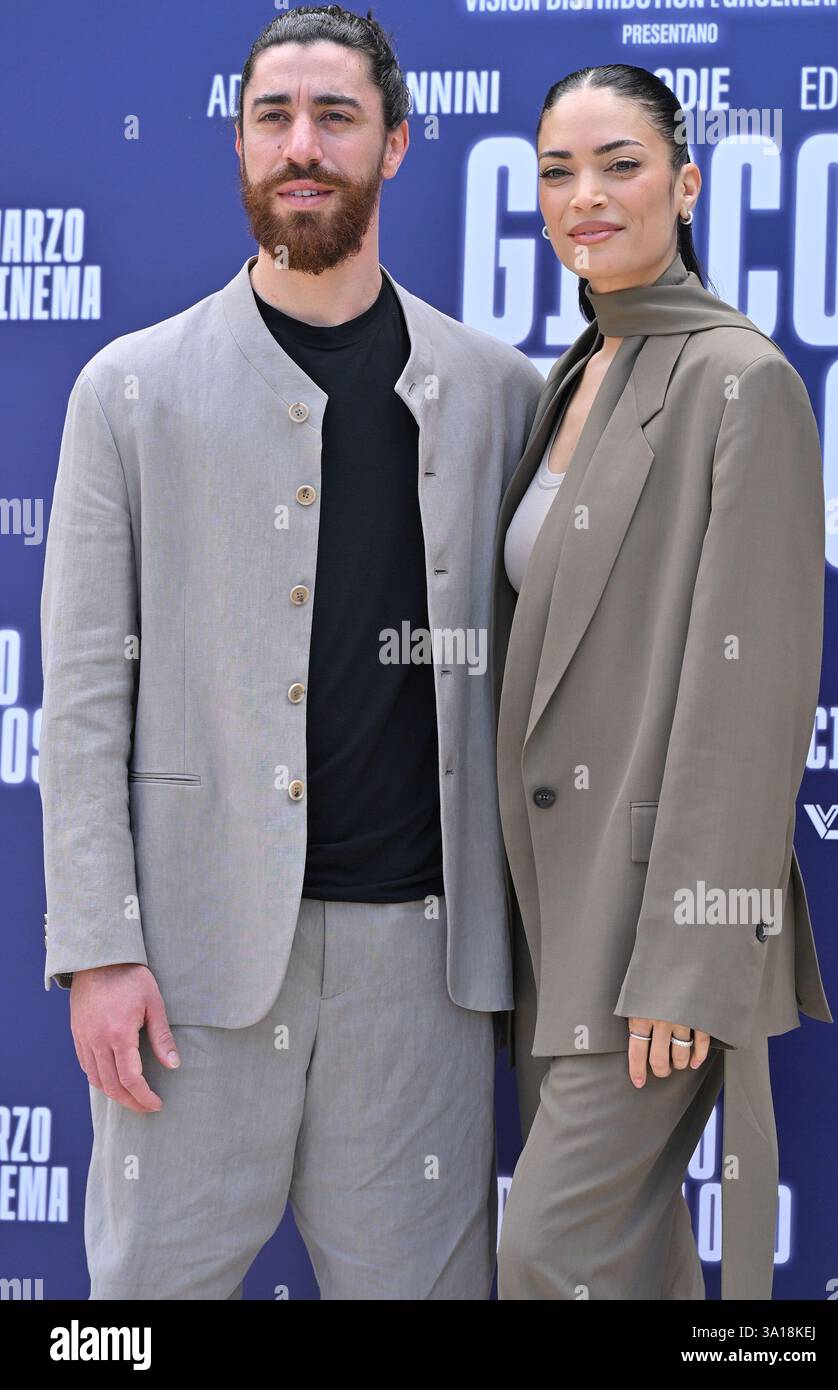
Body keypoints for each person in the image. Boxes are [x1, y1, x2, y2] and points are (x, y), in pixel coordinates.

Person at [39, 6, 543, 1300]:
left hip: (422, 979)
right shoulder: (130, 390)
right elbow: (85, 695)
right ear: (240, 142)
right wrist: (97, 947)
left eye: (334, 117)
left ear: (394, 144)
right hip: (193, 969)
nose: (301, 146)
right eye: (274, 117)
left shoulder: (497, 391)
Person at [490, 63, 833, 1300]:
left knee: (552, 1256)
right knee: (620, 1264)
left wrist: (686, 957)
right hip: (543, 915)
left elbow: (749, 702)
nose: (585, 195)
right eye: (557, 170)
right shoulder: (576, 375)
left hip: (650, 927)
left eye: (618, 164)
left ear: (684, 184)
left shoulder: (741, 383)